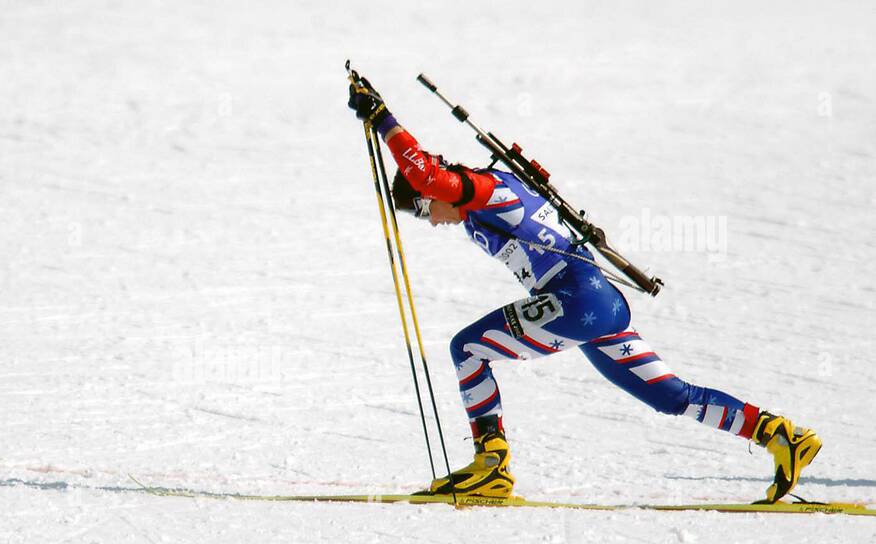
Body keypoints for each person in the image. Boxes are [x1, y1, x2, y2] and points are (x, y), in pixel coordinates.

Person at [347, 77, 821, 502]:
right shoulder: (481, 201)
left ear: (435, 197)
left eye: (422, 211)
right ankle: (780, 436)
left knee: (467, 349)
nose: (428, 222)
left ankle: (491, 465)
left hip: (573, 300)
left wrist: (383, 118)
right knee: (670, 396)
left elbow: (426, 173)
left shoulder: (483, 189)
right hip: (597, 305)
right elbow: (430, 178)